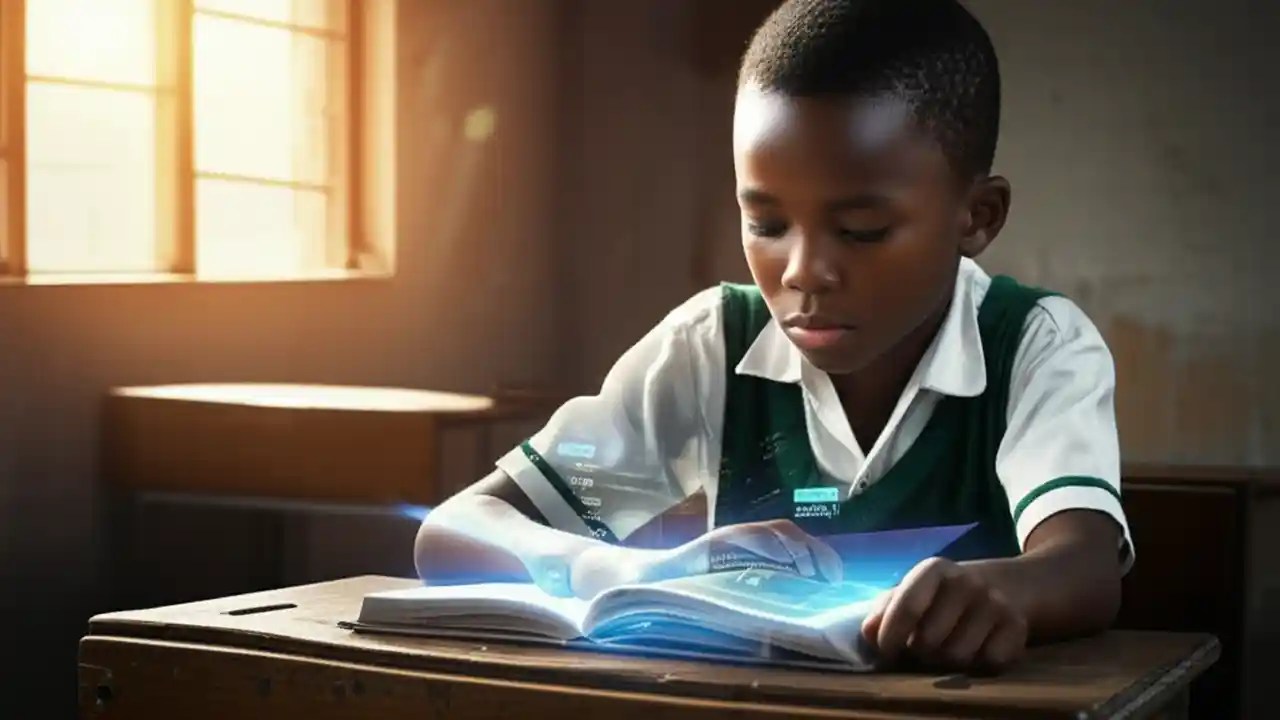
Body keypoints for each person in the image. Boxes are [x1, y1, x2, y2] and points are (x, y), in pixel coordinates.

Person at [415, 0, 1132, 672]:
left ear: (976, 216)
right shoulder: (710, 348)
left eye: (860, 231)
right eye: (765, 223)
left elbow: (1085, 566)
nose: (803, 272)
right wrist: (622, 567)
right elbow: (456, 530)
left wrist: (1008, 592)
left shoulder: (1034, 344)